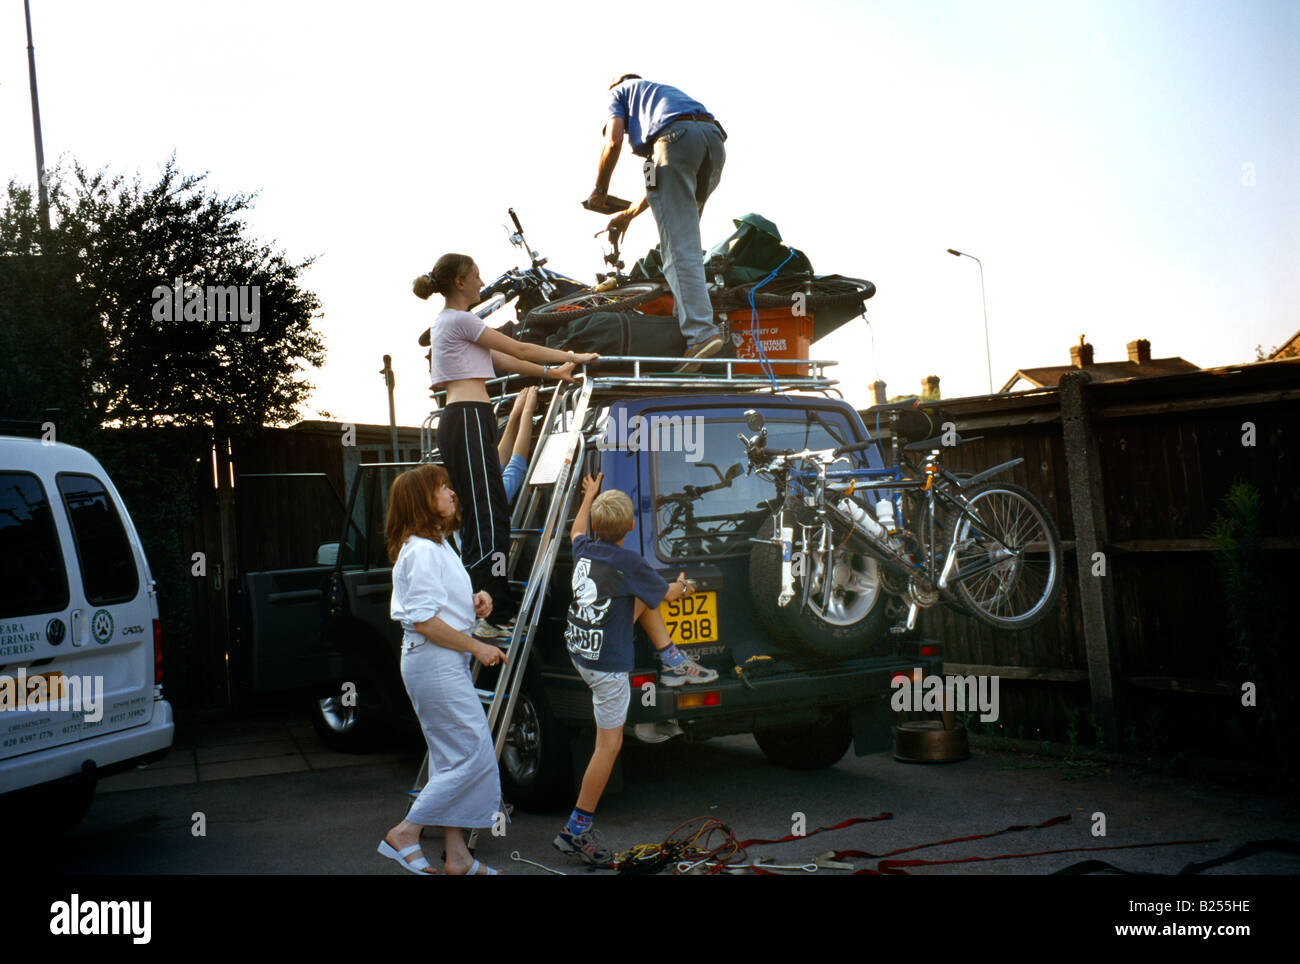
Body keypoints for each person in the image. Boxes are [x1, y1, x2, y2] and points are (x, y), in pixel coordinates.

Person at [415, 255, 598, 632]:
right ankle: (490, 611)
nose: (483, 281)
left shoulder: (456, 326)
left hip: (470, 418)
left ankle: (485, 604)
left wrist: (553, 372)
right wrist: (572, 355)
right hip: (465, 418)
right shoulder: (460, 320)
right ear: (461, 282)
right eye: (477, 275)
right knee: (486, 514)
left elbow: (505, 360)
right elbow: (522, 349)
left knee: (490, 508)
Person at [553, 472, 719, 866]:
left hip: (578, 649)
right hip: (606, 668)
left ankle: (671, 659)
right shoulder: (629, 560)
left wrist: (587, 496)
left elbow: (575, 528)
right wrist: (686, 585)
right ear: (629, 527)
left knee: (641, 597)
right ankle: (575, 830)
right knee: (607, 747)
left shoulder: (585, 548)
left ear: (597, 526)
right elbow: (667, 594)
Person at [377, 463, 507, 875]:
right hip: (433, 661)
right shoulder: (419, 552)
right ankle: (405, 831)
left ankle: (457, 857)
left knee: (452, 758)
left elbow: (439, 608)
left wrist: (474, 602)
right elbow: (424, 622)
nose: (452, 493)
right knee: (475, 754)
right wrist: (476, 645)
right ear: (422, 501)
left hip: (439, 660)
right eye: (443, 488)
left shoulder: (439, 546)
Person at [587, 74, 728, 374]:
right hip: (710, 143)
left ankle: (701, 335)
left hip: (675, 144)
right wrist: (627, 214)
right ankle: (686, 336)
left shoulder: (619, 92)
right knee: (686, 244)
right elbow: (654, 183)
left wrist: (600, 192)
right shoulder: (661, 98)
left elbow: (611, 143)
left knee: (677, 250)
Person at [497, 385, 539, 505]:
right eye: (443, 487)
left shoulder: (466, 500)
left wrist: (515, 414)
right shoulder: (486, 506)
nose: (451, 492)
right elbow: (516, 468)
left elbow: (495, 469)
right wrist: (527, 411)